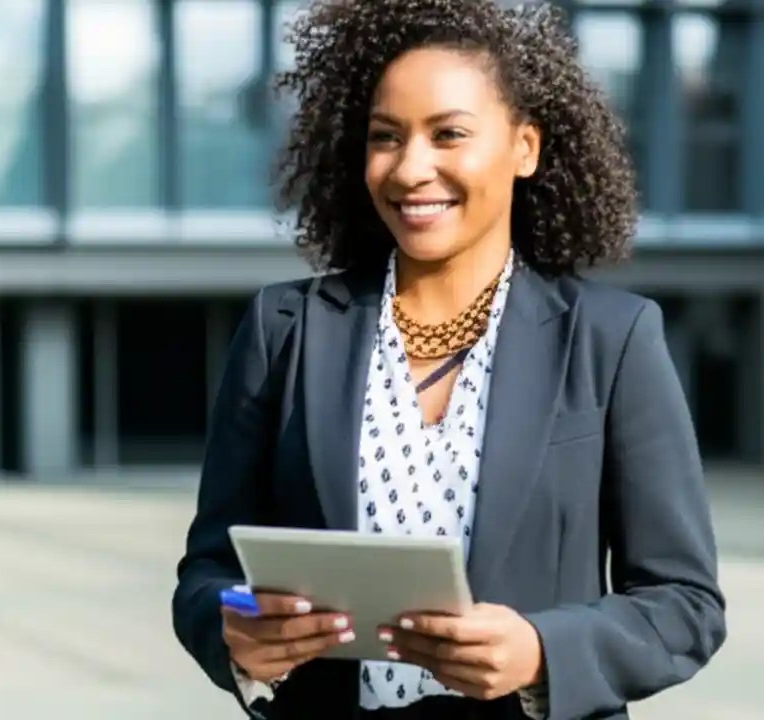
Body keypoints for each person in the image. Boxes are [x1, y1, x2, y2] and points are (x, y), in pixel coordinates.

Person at [171, 0, 727, 718]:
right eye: (385, 137)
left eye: (449, 134)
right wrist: (233, 631)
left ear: (524, 147)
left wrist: (541, 650)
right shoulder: (287, 328)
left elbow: (684, 605)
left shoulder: (610, 339)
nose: (410, 169)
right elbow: (208, 570)